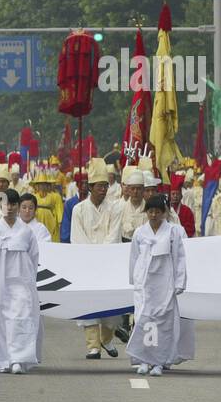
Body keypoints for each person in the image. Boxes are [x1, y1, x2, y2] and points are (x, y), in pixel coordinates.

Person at [0, 189, 43, 374]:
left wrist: (30, 281)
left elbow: (34, 257)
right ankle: (4, 359)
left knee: (20, 318)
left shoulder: (27, 232)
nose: (9, 208)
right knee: (0, 321)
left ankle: (18, 358)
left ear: (18, 207)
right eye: (6, 204)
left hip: (20, 283)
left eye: (13, 205)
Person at [127, 194, 188, 377]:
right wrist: (134, 281)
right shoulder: (139, 233)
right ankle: (144, 360)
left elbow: (180, 258)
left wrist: (179, 282)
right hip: (144, 284)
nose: (153, 215)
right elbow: (134, 257)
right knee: (144, 321)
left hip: (165, 283)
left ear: (163, 213)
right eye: (150, 211)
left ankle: (159, 362)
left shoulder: (173, 232)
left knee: (163, 324)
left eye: (157, 211)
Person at [70, 158, 123, 359]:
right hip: (86, 264)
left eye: (106, 186)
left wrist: (103, 256)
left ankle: (106, 339)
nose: (103, 189)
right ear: (90, 187)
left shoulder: (115, 208)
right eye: (99, 186)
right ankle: (93, 345)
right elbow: (78, 237)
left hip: (108, 262)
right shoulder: (79, 210)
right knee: (88, 303)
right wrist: (91, 257)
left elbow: (114, 234)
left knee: (110, 306)